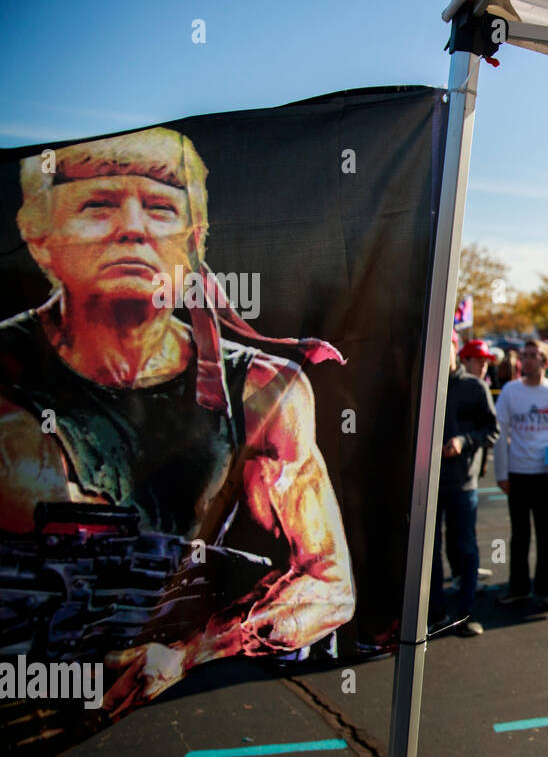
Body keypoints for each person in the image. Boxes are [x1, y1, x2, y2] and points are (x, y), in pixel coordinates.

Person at [0, 127, 354, 709]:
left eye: (161, 207)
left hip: (167, 701)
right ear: (38, 235)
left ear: (193, 241)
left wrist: (192, 652)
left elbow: (330, 584)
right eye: (98, 205)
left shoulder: (264, 387)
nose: (133, 229)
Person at [493, 340, 548, 608]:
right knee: (519, 535)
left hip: (546, 476)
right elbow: (500, 433)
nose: (527, 360)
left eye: (534, 356)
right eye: (525, 356)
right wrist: (501, 473)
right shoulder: (510, 391)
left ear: (545, 362)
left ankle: (546, 590)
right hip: (517, 474)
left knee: (546, 534)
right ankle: (518, 588)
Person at [429, 337, 499, 637]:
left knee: (465, 547)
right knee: (428, 553)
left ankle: (465, 614)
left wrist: (463, 441)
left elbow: (491, 430)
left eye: (443, 346)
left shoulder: (474, 386)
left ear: (454, 350)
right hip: (427, 485)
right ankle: (434, 613)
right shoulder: (424, 384)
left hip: (461, 483)